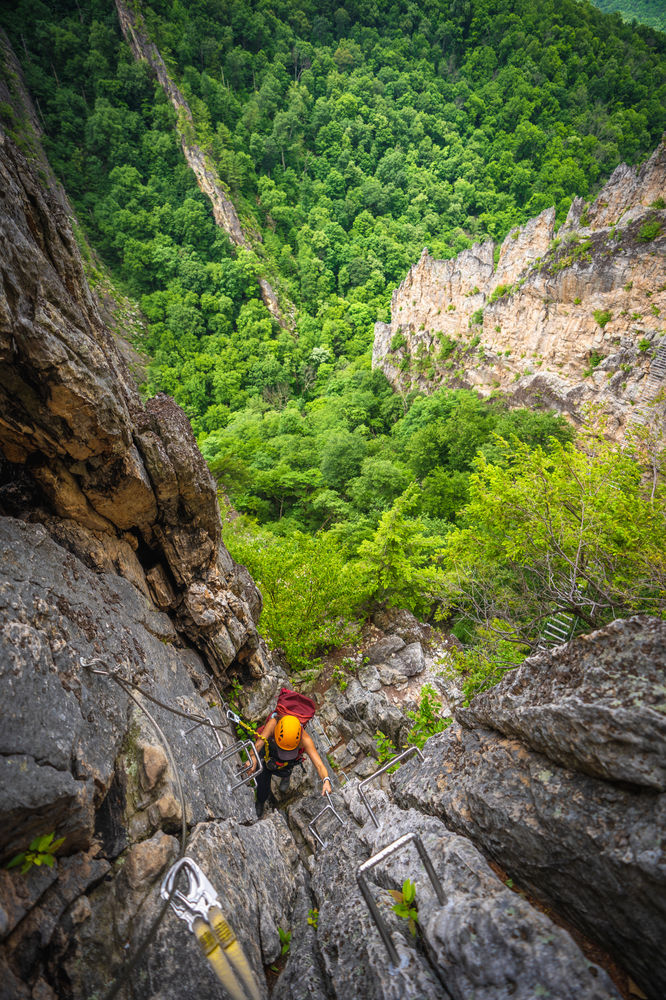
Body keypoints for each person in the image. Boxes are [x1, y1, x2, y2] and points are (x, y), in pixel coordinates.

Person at [247, 712, 332, 818]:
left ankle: (286, 776)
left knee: (285, 769)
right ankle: (260, 801)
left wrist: (326, 780)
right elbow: (259, 744)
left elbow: (319, 765)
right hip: (268, 754)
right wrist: (253, 758)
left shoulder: (305, 740)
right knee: (262, 779)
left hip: (287, 763)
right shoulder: (273, 724)